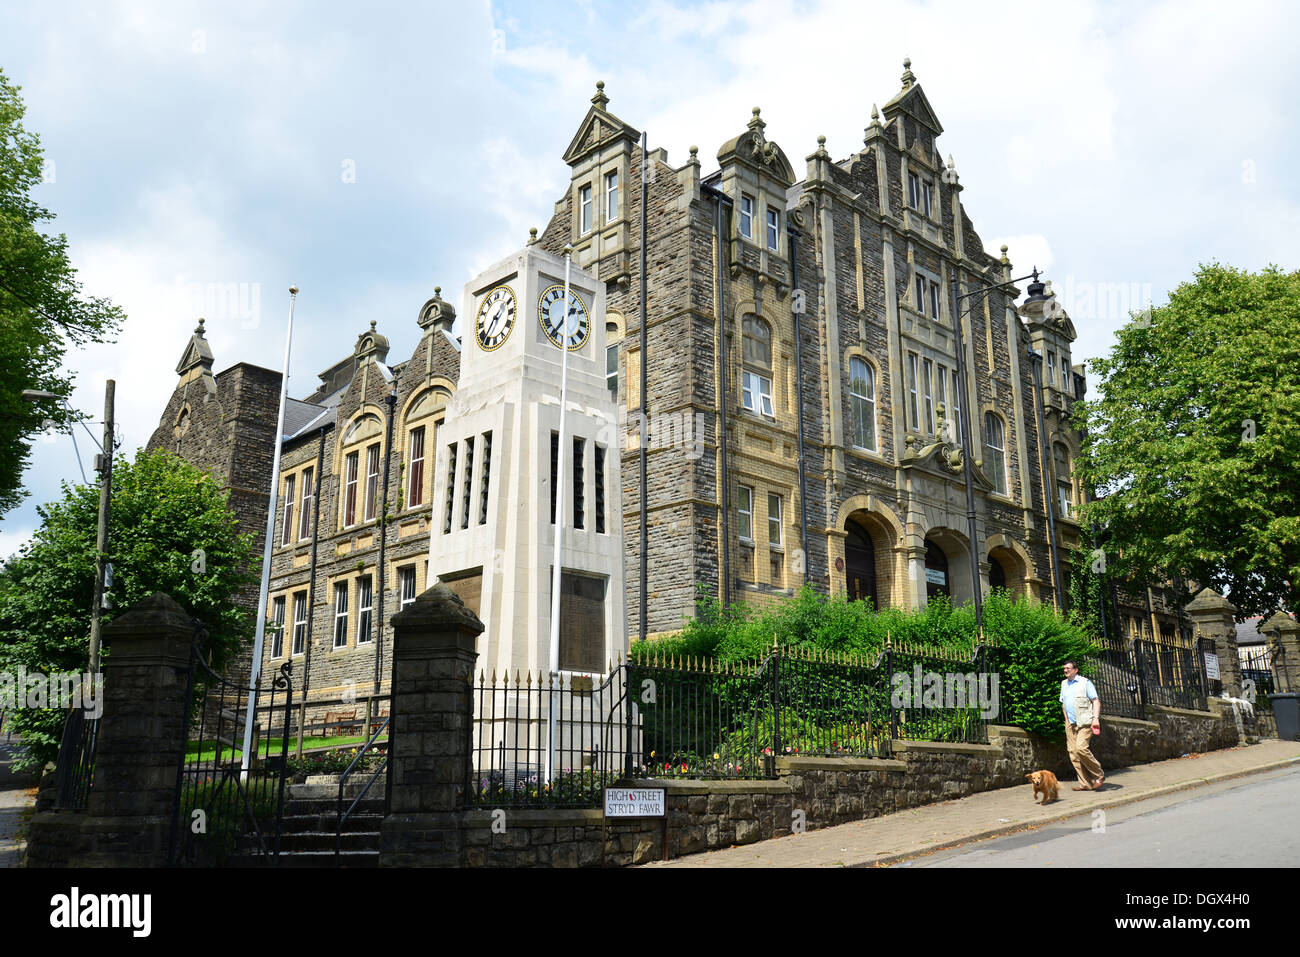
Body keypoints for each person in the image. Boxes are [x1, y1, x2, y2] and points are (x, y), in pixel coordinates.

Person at [1060, 660, 1104, 791]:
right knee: (1073, 754)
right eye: (1064, 669)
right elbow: (1063, 704)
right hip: (1070, 724)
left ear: (1075, 670)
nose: (1065, 670)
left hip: (1085, 722)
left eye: (1068, 668)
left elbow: (1095, 701)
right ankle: (1085, 783)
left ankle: (1098, 775)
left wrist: (1095, 718)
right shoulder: (1064, 684)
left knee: (1081, 748)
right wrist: (1067, 720)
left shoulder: (1085, 683)